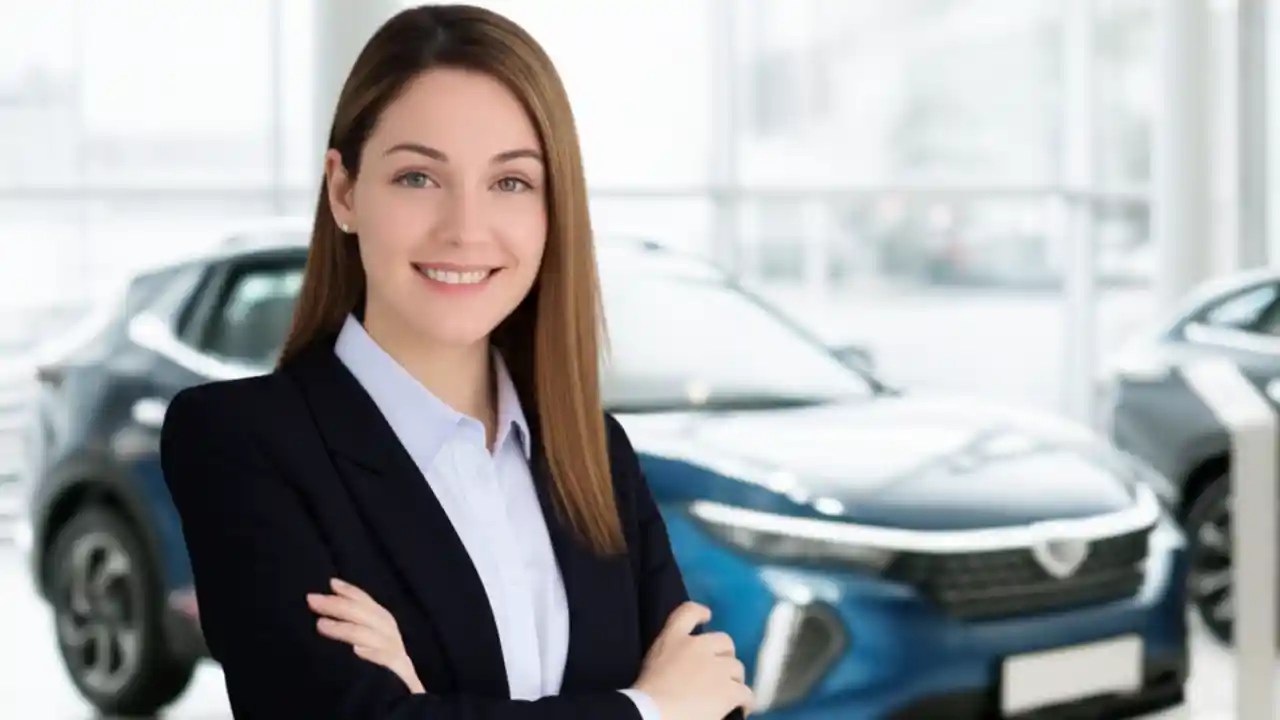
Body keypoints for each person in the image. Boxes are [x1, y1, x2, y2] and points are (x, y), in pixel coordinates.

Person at [158, 4, 752, 720]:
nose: (465, 229)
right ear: (345, 192)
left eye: (511, 183)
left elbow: (715, 702)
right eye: (418, 178)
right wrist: (648, 709)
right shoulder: (240, 441)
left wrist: (433, 705)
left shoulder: (595, 455)